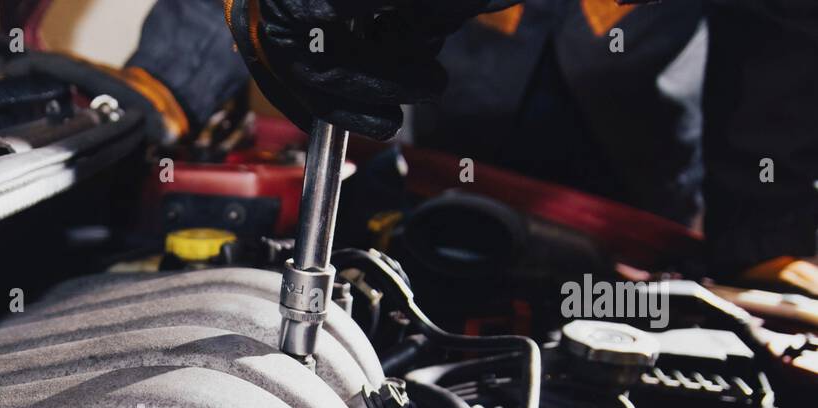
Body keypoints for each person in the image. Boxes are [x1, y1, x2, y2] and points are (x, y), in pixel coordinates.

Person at [65, 0, 818, 293]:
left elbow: (781, 28)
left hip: (635, 168)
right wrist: (162, 88)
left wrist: (762, 236)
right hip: (452, 142)